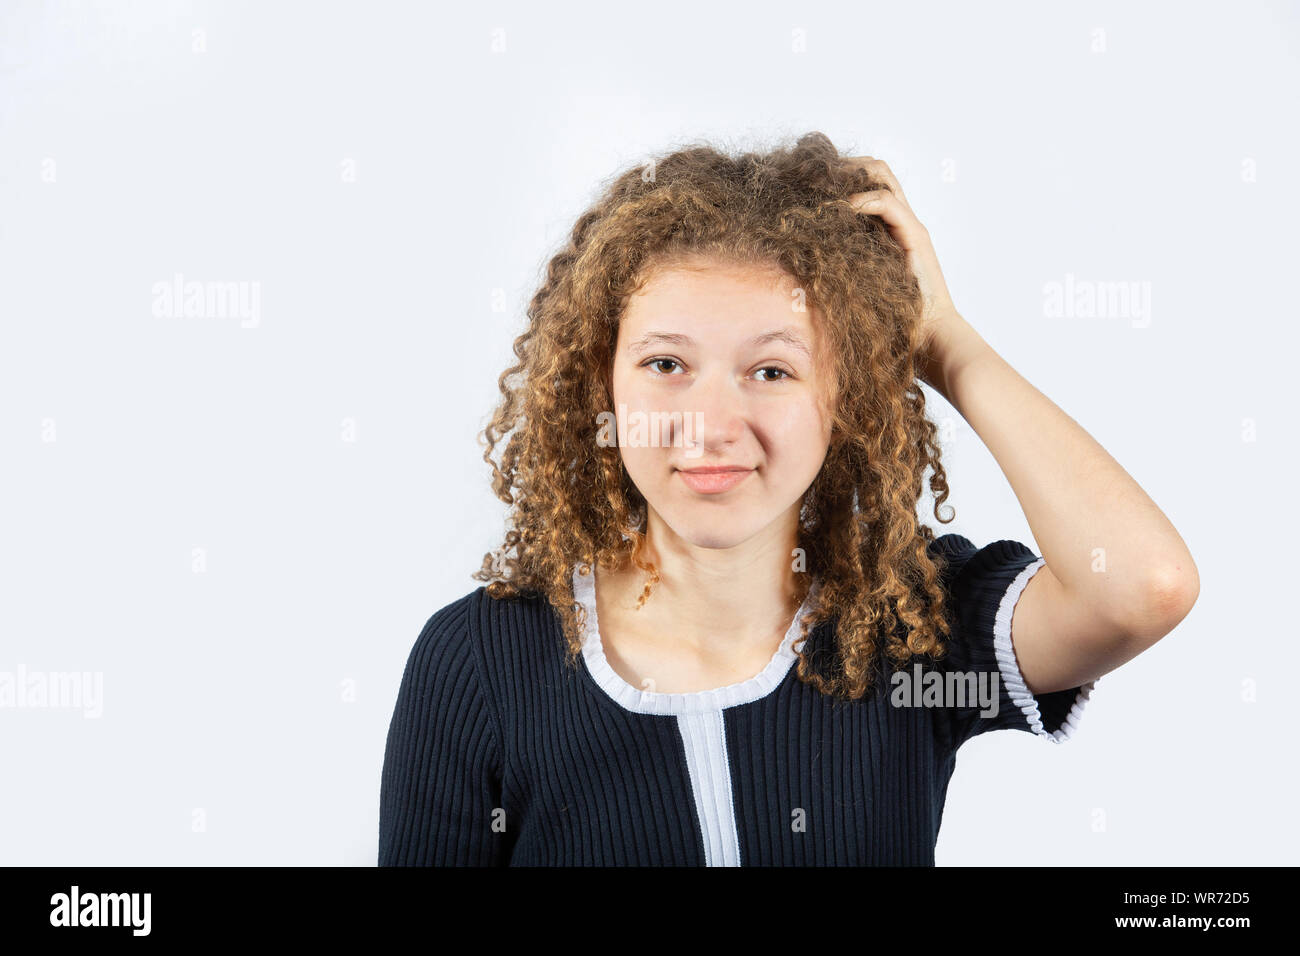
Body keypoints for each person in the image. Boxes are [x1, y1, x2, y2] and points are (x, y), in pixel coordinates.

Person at [377, 132, 1199, 866]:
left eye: (772, 371)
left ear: (844, 401)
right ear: (604, 385)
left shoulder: (908, 623)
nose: (711, 427)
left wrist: (945, 341)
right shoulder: (482, 662)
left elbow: (1142, 585)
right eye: (667, 365)